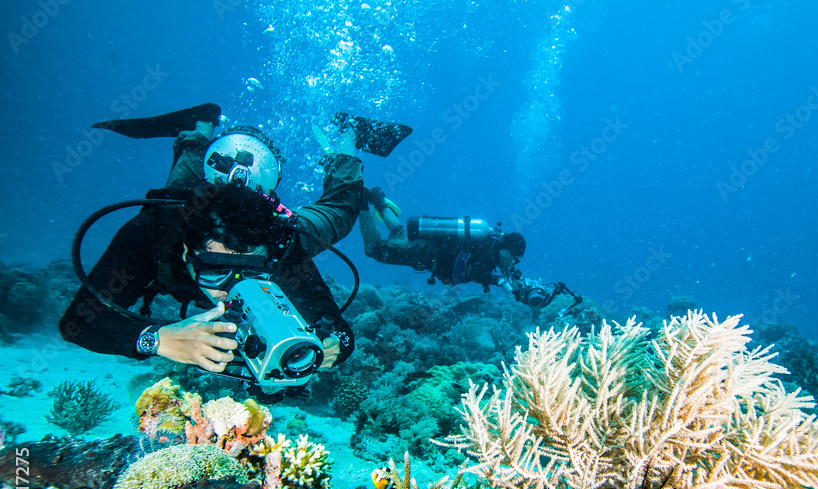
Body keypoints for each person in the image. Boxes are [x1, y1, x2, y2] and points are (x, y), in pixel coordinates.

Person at [61, 104, 411, 374]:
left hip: (277, 226)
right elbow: (78, 323)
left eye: (253, 271)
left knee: (342, 209)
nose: (234, 289)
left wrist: (333, 344)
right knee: (181, 182)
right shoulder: (154, 233)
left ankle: (348, 135)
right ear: (187, 252)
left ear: (268, 254)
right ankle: (201, 125)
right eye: (217, 271)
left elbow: (338, 328)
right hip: (182, 212)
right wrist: (155, 338)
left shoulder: (283, 243)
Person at [359, 188, 528, 295]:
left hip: (426, 249)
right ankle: (361, 200)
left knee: (399, 235)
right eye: (514, 259)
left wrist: (513, 278)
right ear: (507, 252)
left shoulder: (491, 246)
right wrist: (500, 282)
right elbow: (479, 272)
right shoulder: (487, 252)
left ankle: (379, 200)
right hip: (423, 253)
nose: (513, 263)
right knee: (374, 249)